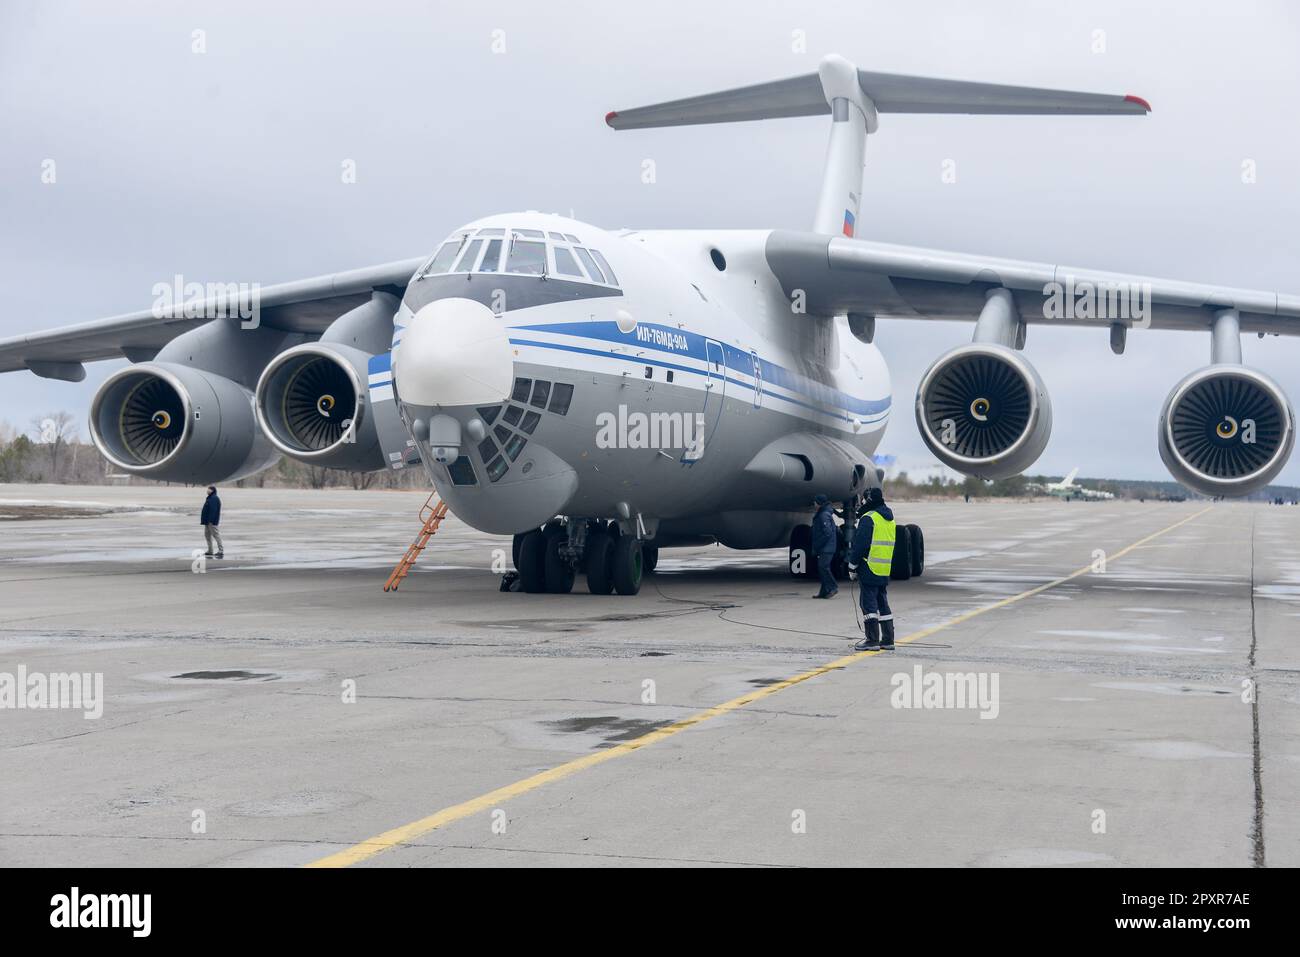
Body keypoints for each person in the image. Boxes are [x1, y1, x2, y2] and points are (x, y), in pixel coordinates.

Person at [847, 487, 896, 650]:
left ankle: (872, 640)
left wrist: (852, 566)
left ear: (868, 500)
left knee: (868, 604)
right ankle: (888, 639)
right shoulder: (889, 519)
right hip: (883, 568)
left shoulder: (869, 518)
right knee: (883, 603)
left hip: (869, 566)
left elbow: (859, 545)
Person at [810, 494, 838, 599]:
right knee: (822, 568)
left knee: (823, 567)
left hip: (826, 547)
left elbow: (827, 533)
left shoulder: (823, 515)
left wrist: (818, 544)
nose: (814, 504)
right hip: (825, 547)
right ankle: (824, 591)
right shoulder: (823, 513)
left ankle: (833, 587)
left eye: (815, 502)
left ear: (819, 503)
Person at [200, 486, 224, 559]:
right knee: (207, 535)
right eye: (208, 489)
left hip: (211, 521)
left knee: (216, 535)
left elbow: (213, 510)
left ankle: (221, 550)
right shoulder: (210, 498)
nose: (208, 490)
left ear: (213, 490)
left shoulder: (214, 498)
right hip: (207, 521)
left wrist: (211, 520)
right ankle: (210, 550)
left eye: (209, 489)